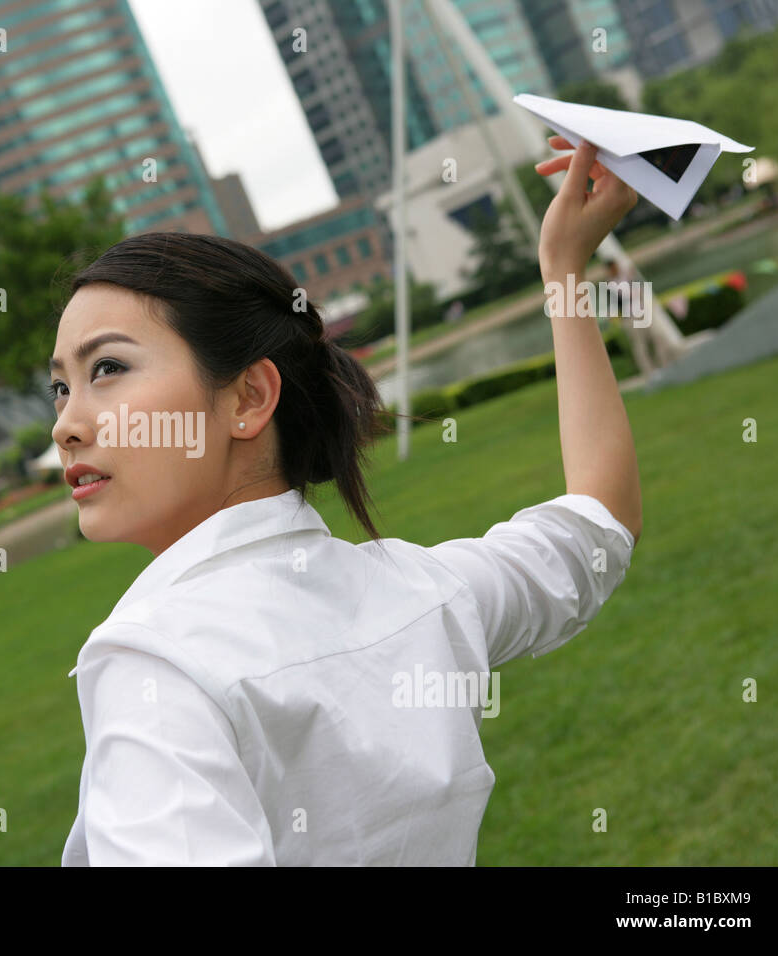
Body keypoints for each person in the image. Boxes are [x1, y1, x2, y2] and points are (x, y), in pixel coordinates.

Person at [51, 137, 642, 866]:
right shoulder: (420, 594)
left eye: (108, 368)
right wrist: (564, 273)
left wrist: (563, 267)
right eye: (61, 386)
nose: (67, 425)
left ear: (249, 397)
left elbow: (594, 533)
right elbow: (599, 529)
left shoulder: (157, 660)